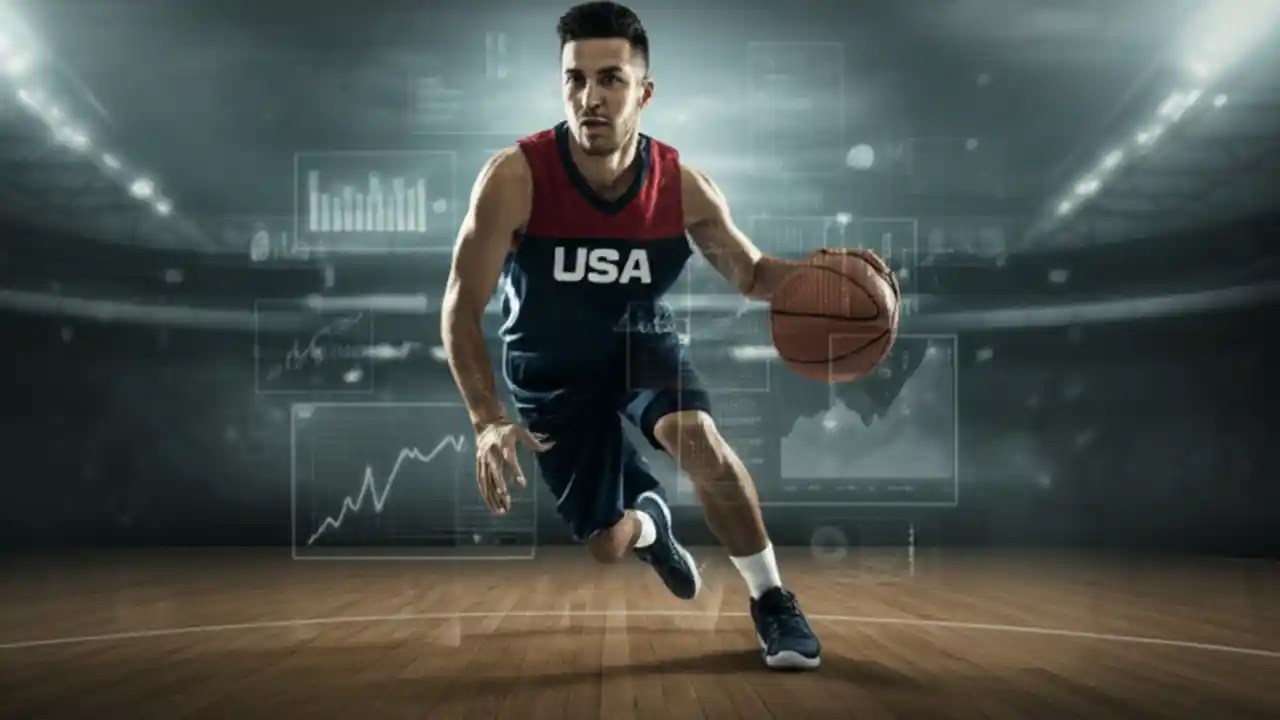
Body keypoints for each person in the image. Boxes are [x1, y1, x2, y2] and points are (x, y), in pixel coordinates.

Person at [441, 1, 821, 670]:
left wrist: (828, 281)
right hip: (549, 369)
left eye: (611, 78)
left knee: (697, 439)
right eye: (576, 79)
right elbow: (460, 303)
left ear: (644, 92)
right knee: (606, 544)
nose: (591, 97)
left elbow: (754, 273)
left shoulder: (680, 187)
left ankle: (773, 601)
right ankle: (650, 523)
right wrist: (486, 419)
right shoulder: (515, 178)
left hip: (636, 345)